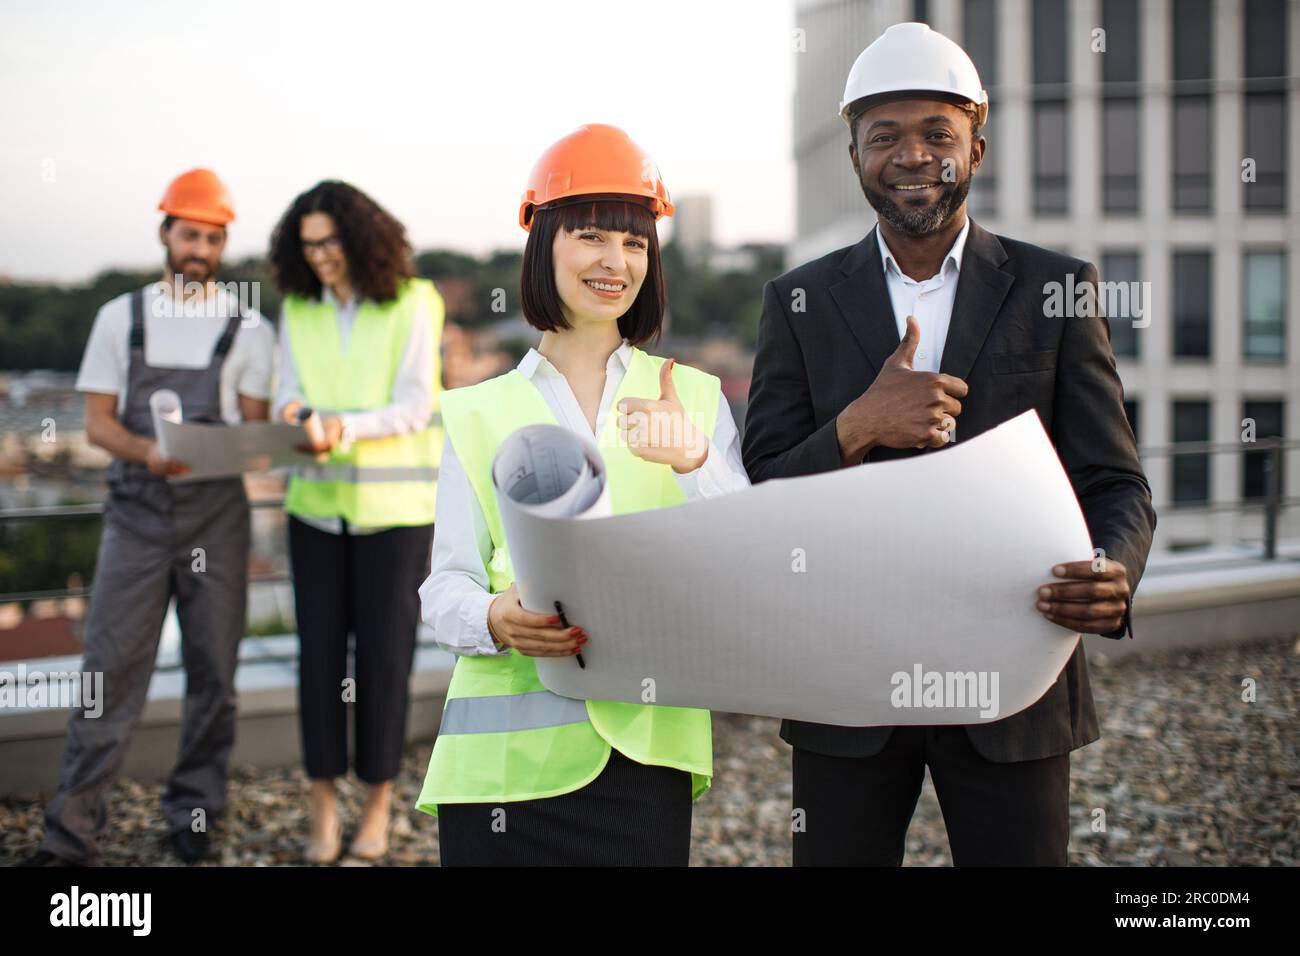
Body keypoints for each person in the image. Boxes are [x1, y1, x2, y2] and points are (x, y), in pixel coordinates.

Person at [741, 23, 1157, 866]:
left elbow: (1115, 481)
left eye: (937, 132)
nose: (913, 155)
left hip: (1013, 673)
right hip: (845, 679)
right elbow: (763, 491)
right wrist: (861, 425)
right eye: (884, 136)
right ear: (854, 154)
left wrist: (1115, 570)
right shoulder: (798, 301)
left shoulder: (1056, 289)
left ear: (977, 142)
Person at [415, 124, 750, 865]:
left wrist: (694, 459)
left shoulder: (692, 399)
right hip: (496, 772)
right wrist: (495, 616)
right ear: (545, 246)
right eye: (591, 236)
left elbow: (745, 561)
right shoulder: (474, 411)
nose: (615, 261)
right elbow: (446, 586)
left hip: (643, 759)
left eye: (635, 244)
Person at [27, 169, 276, 866]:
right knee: (108, 671)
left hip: (216, 518)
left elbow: (255, 436)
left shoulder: (249, 326)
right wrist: (147, 451)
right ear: (166, 231)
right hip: (135, 515)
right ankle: (69, 836)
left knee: (214, 676)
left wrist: (242, 449)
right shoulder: (119, 316)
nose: (200, 247)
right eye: (189, 232)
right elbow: (97, 423)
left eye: (213, 237)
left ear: (224, 245)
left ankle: (194, 820)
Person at [269, 181, 445, 863]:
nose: (320, 258)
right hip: (314, 511)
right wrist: (294, 417)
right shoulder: (299, 308)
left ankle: (375, 806)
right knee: (317, 663)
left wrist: (337, 428)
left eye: (331, 243)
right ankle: (322, 810)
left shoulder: (413, 302)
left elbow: (412, 405)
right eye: (309, 246)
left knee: (382, 665)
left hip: (394, 517)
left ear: (362, 238)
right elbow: (288, 391)